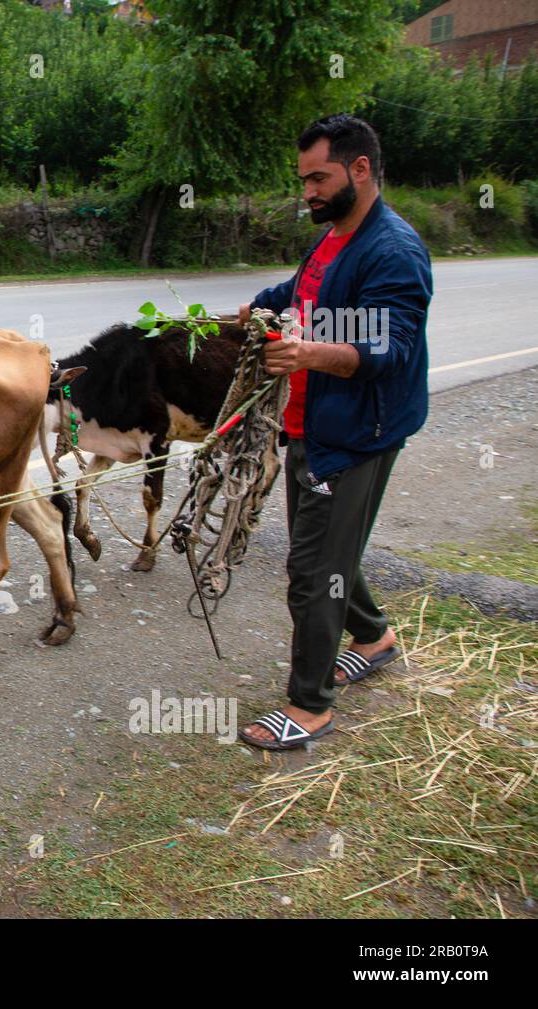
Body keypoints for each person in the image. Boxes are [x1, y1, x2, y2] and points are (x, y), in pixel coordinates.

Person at [236, 113, 433, 751]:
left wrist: (310, 355)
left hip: (355, 436)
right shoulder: (334, 239)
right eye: (304, 181)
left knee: (312, 569)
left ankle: (310, 705)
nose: (309, 193)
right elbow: (301, 294)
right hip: (314, 425)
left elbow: (390, 348)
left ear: (360, 169)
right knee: (325, 554)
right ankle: (374, 637)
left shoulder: (393, 251)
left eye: (319, 178)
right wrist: (257, 308)